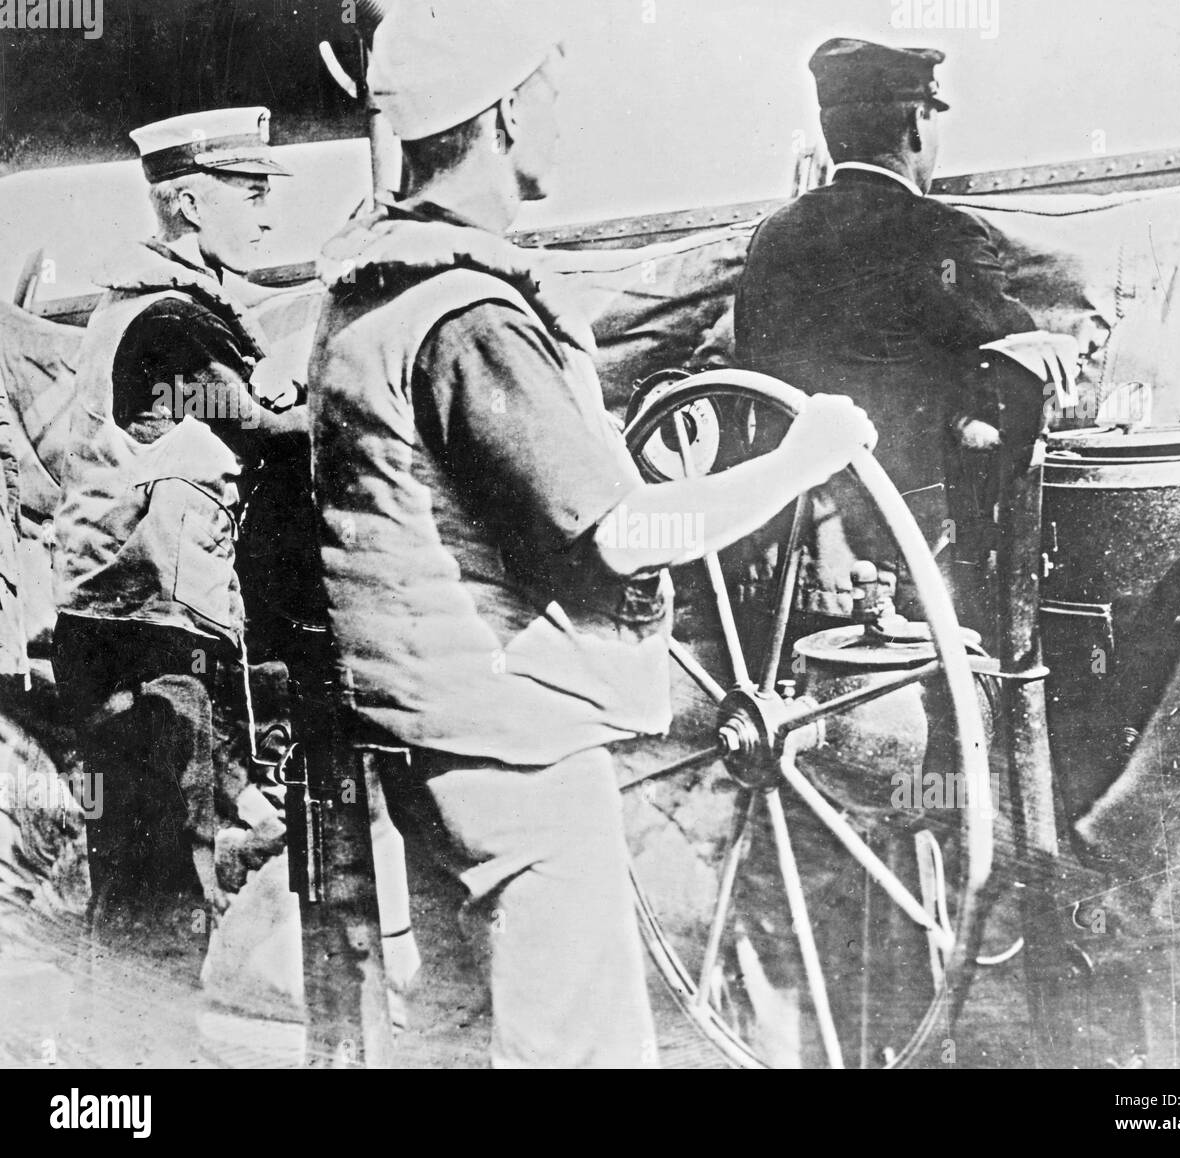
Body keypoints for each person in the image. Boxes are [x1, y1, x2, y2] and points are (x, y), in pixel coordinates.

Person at [309, 0, 878, 1068]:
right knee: (578, 1046)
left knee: (460, 1027)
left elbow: (459, 500)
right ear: (509, 115)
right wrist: (800, 460)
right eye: (555, 101)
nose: (566, 126)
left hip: (427, 733)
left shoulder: (369, 298)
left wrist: (662, 476)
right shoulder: (470, 318)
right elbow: (621, 540)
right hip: (515, 746)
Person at [51, 108, 306, 918]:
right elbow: (262, 432)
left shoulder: (157, 309)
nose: (268, 213)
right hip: (144, 644)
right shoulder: (169, 322)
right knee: (160, 893)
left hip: (125, 627)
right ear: (192, 204)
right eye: (252, 192)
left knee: (146, 882)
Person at [734, 38, 1038, 622]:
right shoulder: (936, 233)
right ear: (917, 123)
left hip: (784, 544)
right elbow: (1019, 359)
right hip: (903, 556)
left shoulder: (773, 236)